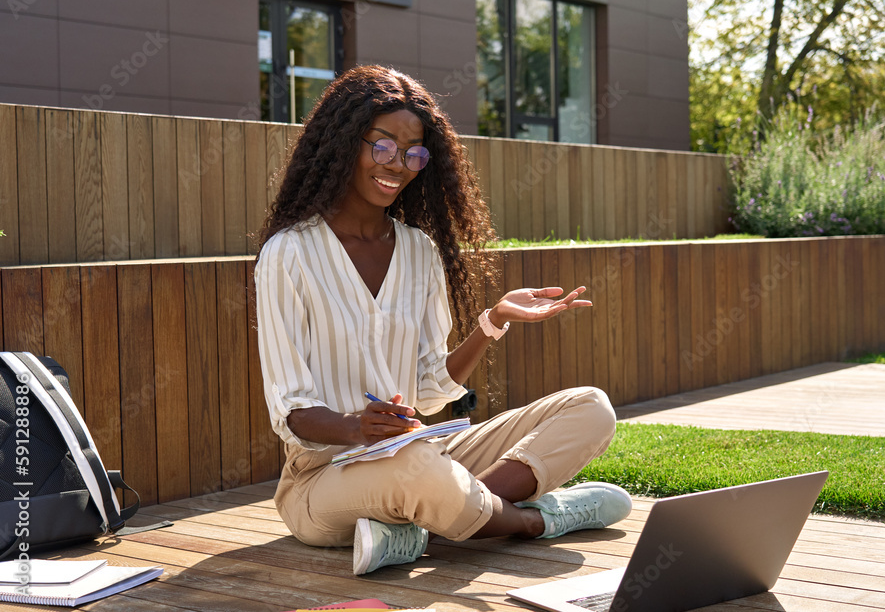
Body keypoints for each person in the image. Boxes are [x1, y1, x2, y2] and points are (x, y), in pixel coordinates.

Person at [254, 64, 631, 576]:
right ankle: (535, 520)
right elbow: (291, 410)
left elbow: (431, 391)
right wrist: (356, 428)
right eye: (382, 145)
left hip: (423, 452)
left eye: (414, 152)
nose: (399, 164)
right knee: (417, 470)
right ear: (343, 141)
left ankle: (427, 522)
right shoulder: (289, 253)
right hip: (323, 479)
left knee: (592, 408)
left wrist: (492, 322)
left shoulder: (419, 251)